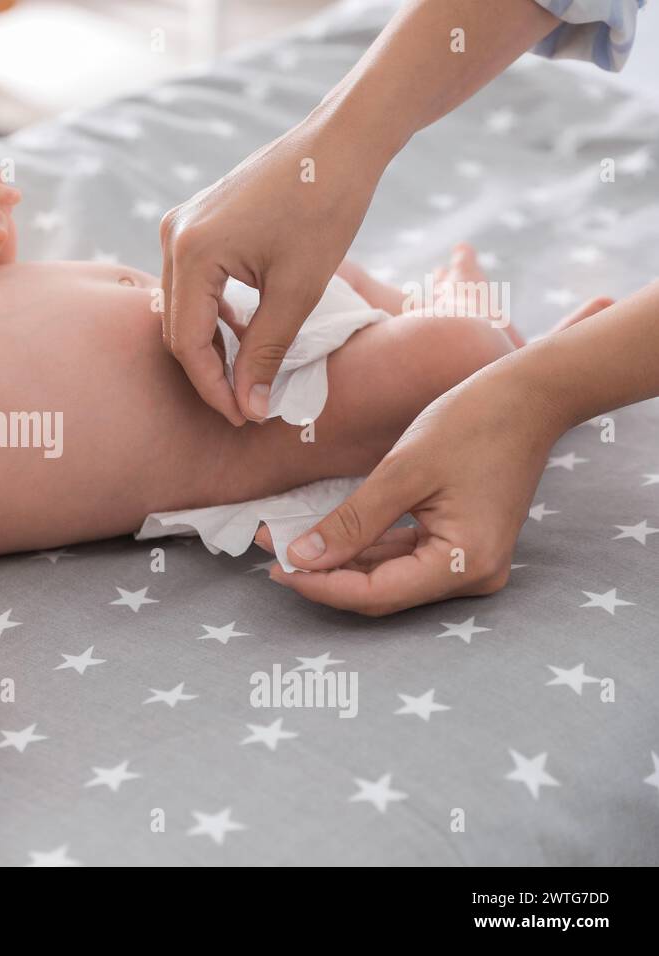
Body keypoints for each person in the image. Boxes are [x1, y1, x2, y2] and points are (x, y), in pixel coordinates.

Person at [158, 0, 652, 615]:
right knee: (405, 326)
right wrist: (338, 141)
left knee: (440, 344)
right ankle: (479, 339)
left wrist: (548, 390)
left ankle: (490, 348)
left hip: (247, 394)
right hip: (230, 378)